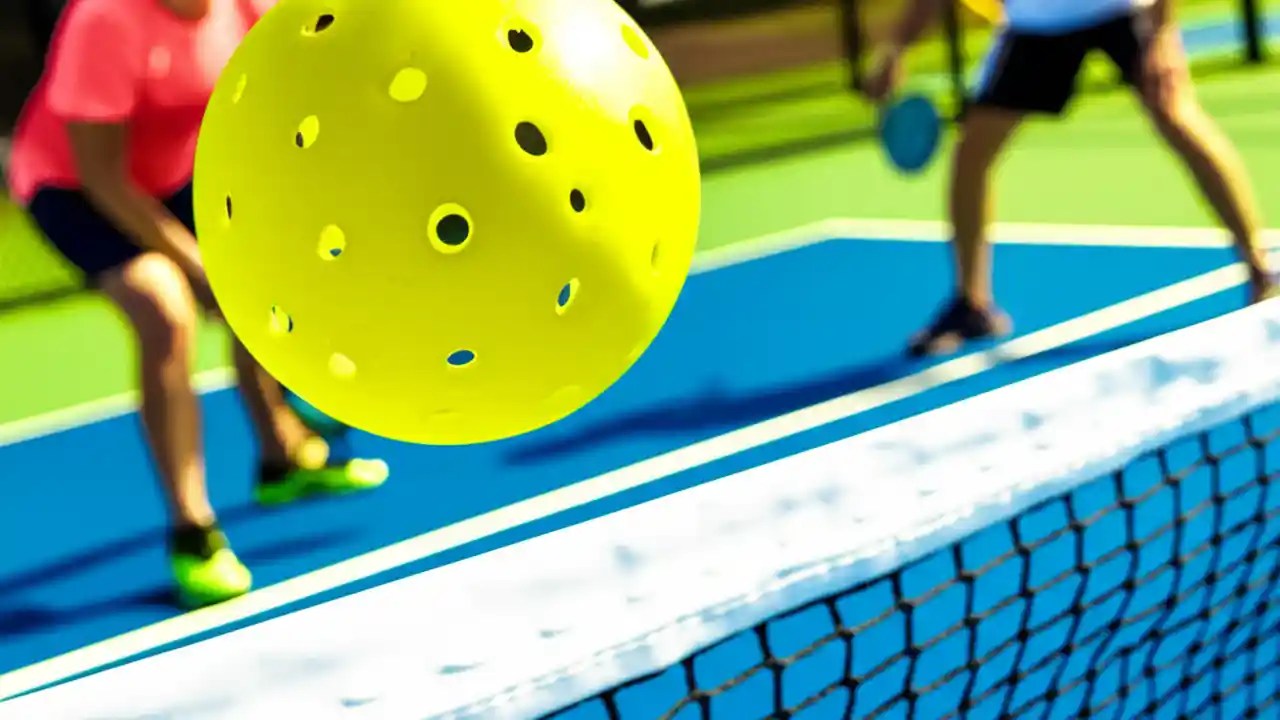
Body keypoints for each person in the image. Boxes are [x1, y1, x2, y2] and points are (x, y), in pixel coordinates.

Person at [6, 0, 389, 608]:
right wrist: (196, 265)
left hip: (177, 172)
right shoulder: (103, 21)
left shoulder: (247, 7)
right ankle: (193, 530)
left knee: (263, 278)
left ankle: (282, 459)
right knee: (166, 311)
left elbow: (290, 96)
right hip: (76, 186)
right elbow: (102, 175)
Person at [864, 0, 1278, 357]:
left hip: (1122, 10)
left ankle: (1262, 272)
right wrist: (895, 51)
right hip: (1037, 25)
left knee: (1178, 119)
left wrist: (1163, 31)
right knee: (971, 154)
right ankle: (972, 305)